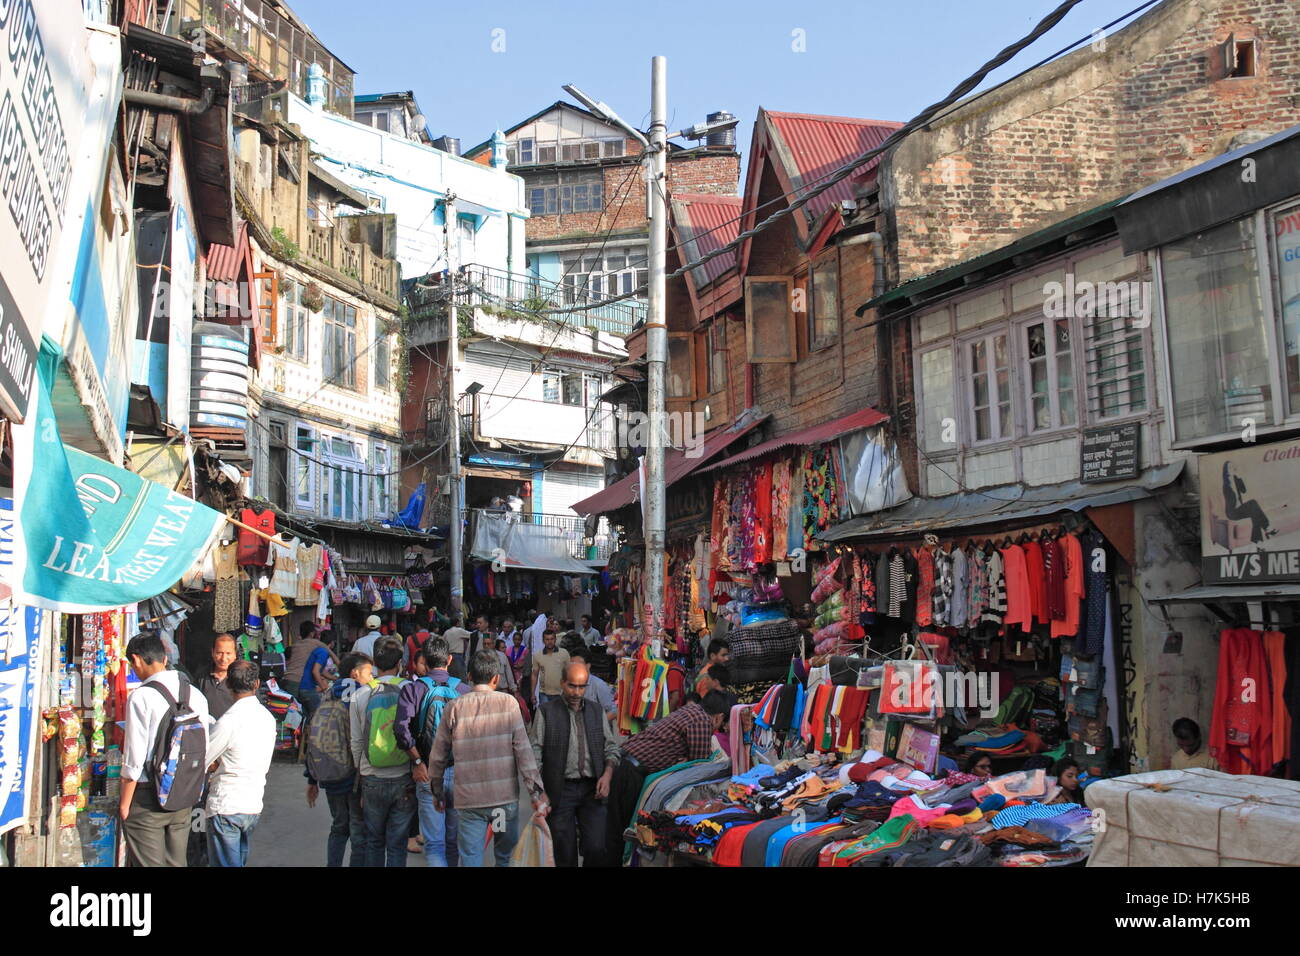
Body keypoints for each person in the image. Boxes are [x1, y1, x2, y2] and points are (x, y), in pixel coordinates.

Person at [428, 649, 548, 867]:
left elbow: (438, 755)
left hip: (470, 803)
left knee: (471, 857)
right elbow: (524, 752)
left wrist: (436, 789)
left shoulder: (455, 707)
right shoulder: (509, 704)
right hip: (502, 803)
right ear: (496, 678)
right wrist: (536, 792)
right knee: (503, 857)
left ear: (469, 677)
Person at [119, 632, 212, 867]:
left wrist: (124, 805)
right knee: (176, 863)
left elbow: (134, 759)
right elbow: (204, 749)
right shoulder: (196, 695)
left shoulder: (141, 697)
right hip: (184, 793)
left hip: (147, 798)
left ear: (137, 660)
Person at [605, 691, 729, 863]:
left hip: (624, 763)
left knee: (613, 829)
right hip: (630, 772)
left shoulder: (689, 711)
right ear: (718, 717)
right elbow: (699, 766)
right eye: (721, 723)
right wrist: (690, 761)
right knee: (619, 832)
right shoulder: (702, 721)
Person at [531, 660, 620, 867]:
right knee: (564, 850)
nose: (576, 692)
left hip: (592, 789)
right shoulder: (546, 712)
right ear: (562, 683)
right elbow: (534, 753)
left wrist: (607, 775)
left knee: (596, 847)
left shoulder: (596, 711)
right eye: (572, 685)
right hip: (560, 790)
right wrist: (539, 790)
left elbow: (612, 748)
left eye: (581, 687)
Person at [398, 635, 471, 867]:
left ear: (424, 663)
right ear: (449, 660)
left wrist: (418, 762)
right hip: (459, 773)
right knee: (453, 840)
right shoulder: (464, 690)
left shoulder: (413, 689)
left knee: (434, 843)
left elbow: (401, 730)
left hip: (428, 773)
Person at [348, 637, 416, 867]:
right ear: (400, 662)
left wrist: (362, 771)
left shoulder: (359, 695)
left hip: (371, 778)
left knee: (374, 841)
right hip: (403, 777)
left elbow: (356, 742)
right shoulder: (410, 690)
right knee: (397, 845)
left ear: (375, 663)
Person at [203, 660, 276, 867]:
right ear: (257, 684)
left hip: (227, 804)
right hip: (252, 804)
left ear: (228, 685)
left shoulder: (229, 721)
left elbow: (203, 759)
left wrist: (216, 763)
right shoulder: (267, 718)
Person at [306, 651, 373, 867]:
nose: (371, 678)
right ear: (355, 673)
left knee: (338, 827)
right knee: (358, 833)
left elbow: (316, 735)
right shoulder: (363, 694)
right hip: (354, 777)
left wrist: (311, 779)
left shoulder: (327, 694)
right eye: (369, 673)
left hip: (330, 774)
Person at [284, 621, 336, 721]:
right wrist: (340, 664)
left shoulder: (296, 644)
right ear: (312, 634)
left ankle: (301, 734)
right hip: (298, 681)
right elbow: (317, 670)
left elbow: (320, 671)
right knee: (299, 715)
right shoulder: (316, 645)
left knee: (295, 714)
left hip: (288, 679)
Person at [1223, 461, 1275, 546]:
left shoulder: (1235, 479)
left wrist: (1239, 477)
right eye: (1229, 467)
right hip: (1232, 512)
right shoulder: (1226, 486)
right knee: (1253, 504)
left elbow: (1244, 490)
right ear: (1226, 471)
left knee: (1254, 512)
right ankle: (1266, 529)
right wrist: (1241, 505)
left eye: (1233, 467)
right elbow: (1230, 503)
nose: (1232, 469)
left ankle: (1258, 541)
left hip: (1239, 508)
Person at [567, 646, 616, 722]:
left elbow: (614, 710)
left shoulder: (599, 685)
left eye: (578, 664)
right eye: (572, 664)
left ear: (588, 666)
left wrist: (598, 724)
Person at [196, 633, 239, 720]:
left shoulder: (241, 679)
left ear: (235, 654)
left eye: (228, 653)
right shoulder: (201, 677)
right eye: (219, 653)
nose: (223, 658)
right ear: (212, 652)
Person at [533, 629, 570, 709]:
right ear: (543, 640)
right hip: (544, 693)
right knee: (546, 718)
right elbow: (534, 675)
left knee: (560, 718)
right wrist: (532, 694)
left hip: (561, 693)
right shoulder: (537, 656)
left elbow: (569, 673)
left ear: (555, 639)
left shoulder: (564, 653)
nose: (549, 641)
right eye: (547, 639)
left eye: (552, 639)